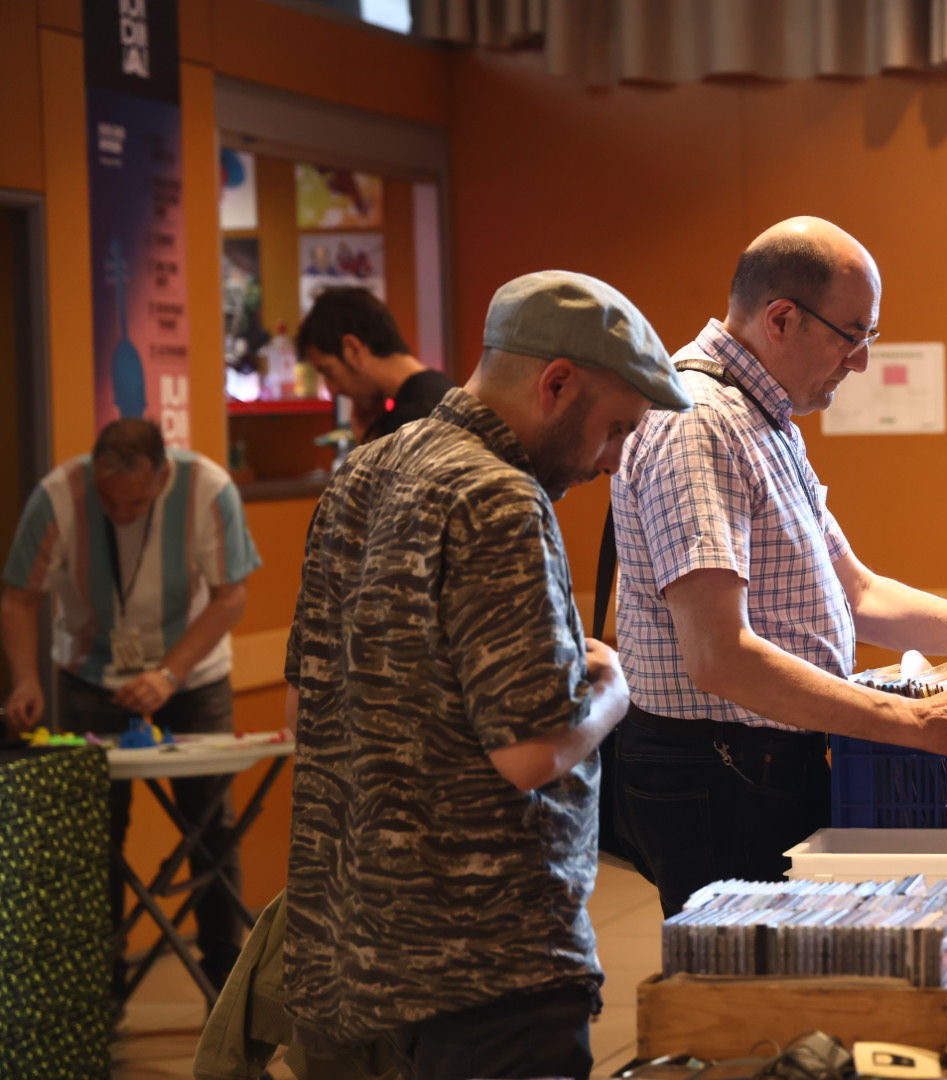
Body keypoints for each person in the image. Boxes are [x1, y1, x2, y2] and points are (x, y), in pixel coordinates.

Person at [609, 216, 947, 916]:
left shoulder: (763, 418)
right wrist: (915, 720)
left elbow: (858, 591)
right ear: (781, 319)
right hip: (722, 770)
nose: (860, 362)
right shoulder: (701, 422)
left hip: (762, 760)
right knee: (749, 979)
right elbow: (719, 657)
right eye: (852, 335)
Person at [282, 271, 690, 1080]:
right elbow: (531, 753)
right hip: (492, 966)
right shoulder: (499, 499)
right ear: (556, 384)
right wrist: (612, 686)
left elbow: (307, 703)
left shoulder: (364, 471)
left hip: (354, 955)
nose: (614, 460)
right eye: (615, 428)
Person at [1, 418, 261, 992]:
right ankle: (100, 982)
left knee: (211, 828)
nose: (121, 514)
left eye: (136, 503)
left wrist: (169, 674)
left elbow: (230, 597)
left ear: (162, 475)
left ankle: (223, 977)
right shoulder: (57, 496)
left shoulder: (208, 489)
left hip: (192, 675)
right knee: (92, 832)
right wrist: (25, 682)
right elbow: (19, 599)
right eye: (109, 500)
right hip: (89, 675)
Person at [296, 286, 456, 444]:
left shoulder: (410, 421)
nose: (332, 390)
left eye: (328, 372)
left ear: (352, 350)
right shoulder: (442, 392)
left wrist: (368, 445)